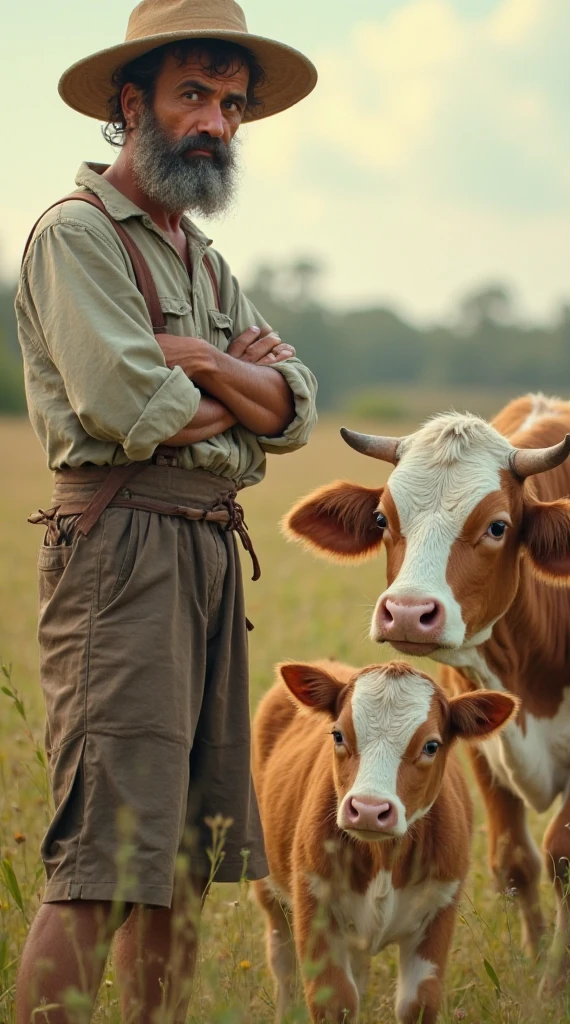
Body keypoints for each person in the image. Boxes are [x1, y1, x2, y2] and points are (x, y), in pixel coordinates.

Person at [14, 1, 318, 1020]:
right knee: (108, 853)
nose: (216, 124)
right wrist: (233, 388)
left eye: (231, 104)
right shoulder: (78, 237)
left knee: (188, 853)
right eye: (194, 94)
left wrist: (206, 365)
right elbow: (127, 405)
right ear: (128, 100)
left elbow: (295, 410)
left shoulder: (201, 260)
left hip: (204, 555)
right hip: (122, 548)